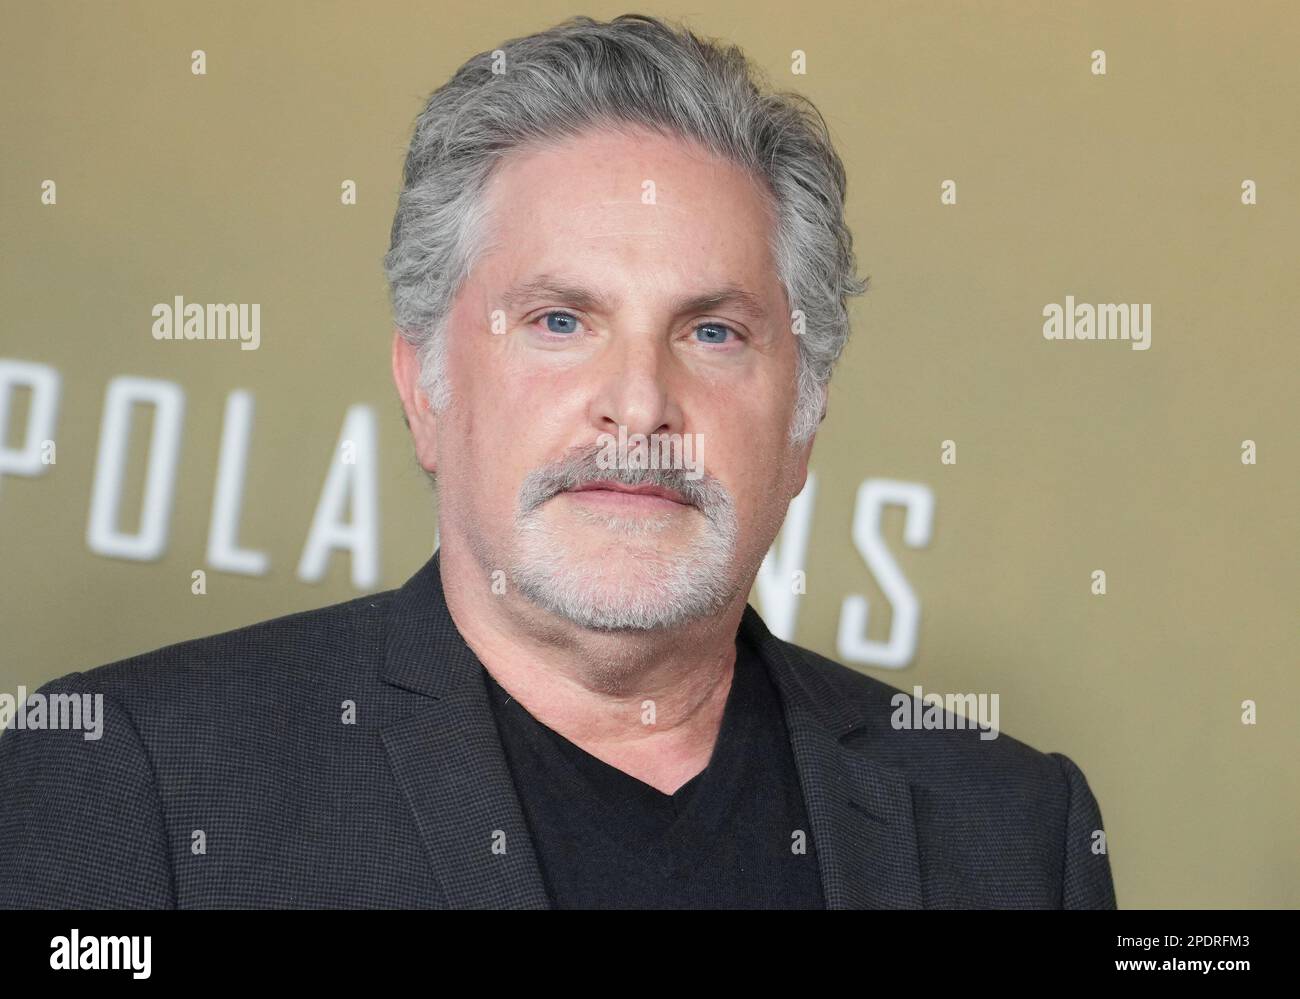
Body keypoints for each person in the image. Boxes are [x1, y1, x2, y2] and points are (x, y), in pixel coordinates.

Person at [0, 13, 1115, 909]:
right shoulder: (126, 781)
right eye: (559, 322)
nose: (637, 403)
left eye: (712, 332)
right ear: (424, 388)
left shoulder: (1017, 832)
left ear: (804, 420)